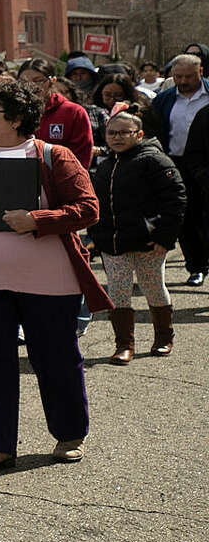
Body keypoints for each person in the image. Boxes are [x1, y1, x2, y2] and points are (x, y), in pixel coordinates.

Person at [0, 79, 108, 472]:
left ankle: (69, 435)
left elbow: (89, 208)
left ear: (14, 119)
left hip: (48, 281)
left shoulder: (55, 156)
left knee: (56, 359)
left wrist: (37, 219)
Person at [91, 109, 184, 362]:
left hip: (148, 242)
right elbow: (97, 203)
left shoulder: (155, 160)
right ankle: (124, 345)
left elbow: (175, 200)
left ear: (139, 134)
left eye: (124, 133)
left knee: (153, 288)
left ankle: (164, 338)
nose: (117, 138)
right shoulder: (106, 164)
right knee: (118, 293)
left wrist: (165, 238)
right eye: (112, 133)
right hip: (114, 243)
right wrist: (96, 236)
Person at [144, 53, 209, 286]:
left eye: (188, 77)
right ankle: (196, 267)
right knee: (187, 218)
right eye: (178, 76)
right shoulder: (164, 99)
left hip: (206, 164)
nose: (182, 81)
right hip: (176, 164)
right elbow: (152, 128)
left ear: (200, 73)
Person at [18, 58, 93, 169]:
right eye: (23, 82)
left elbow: (81, 157)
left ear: (52, 81)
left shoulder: (74, 112)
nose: (30, 86)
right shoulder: (13, 112)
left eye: (38, 81)